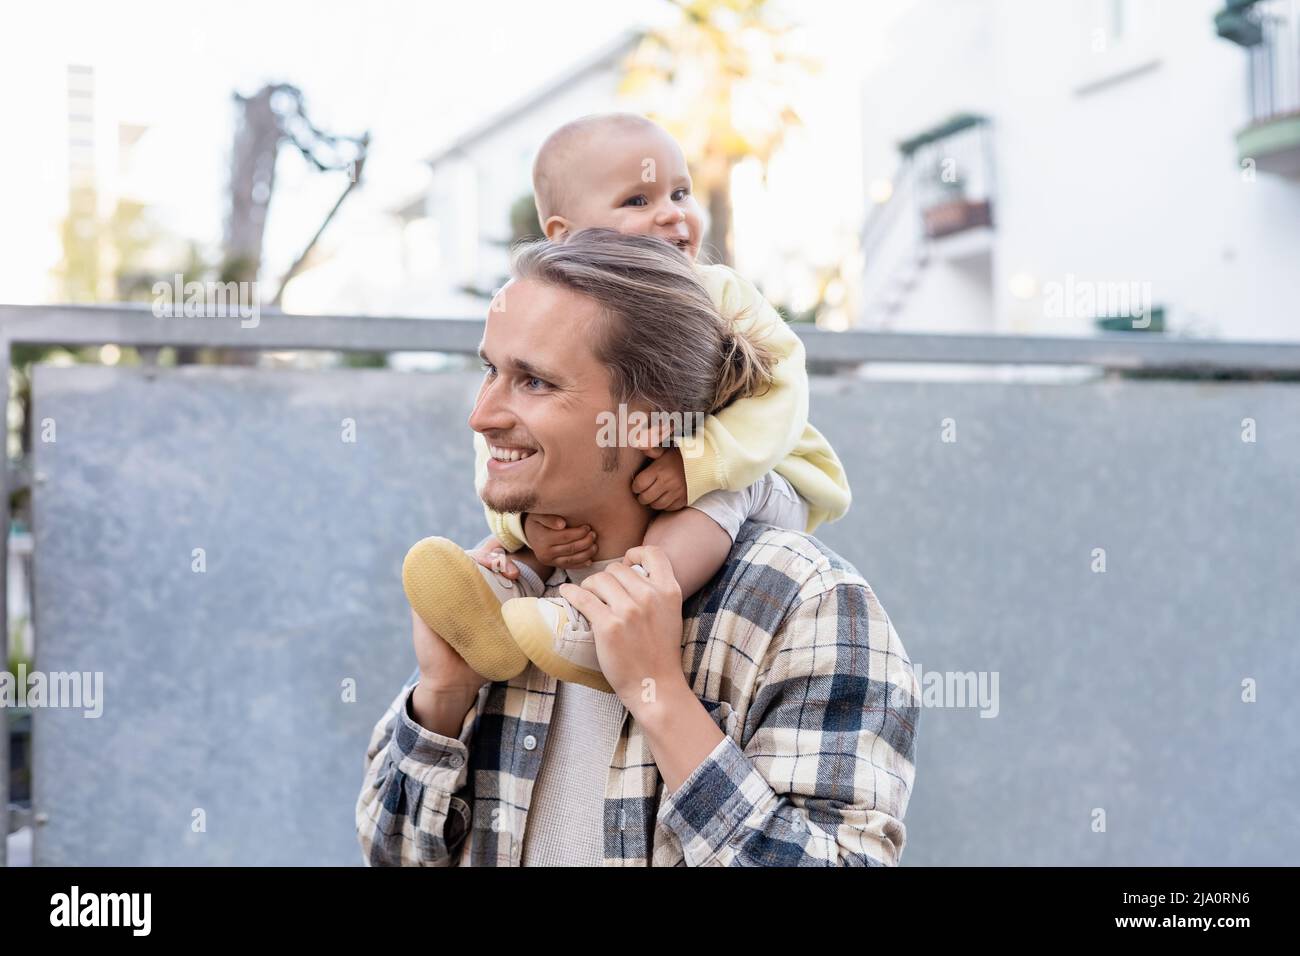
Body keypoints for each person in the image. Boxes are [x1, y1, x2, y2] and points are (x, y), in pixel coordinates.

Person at [355, 232, 919, 866]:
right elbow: (390, 853)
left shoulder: (804, 603)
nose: (481, 416)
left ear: (652, 421)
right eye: (491, 370)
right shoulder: (501, 592)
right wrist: (443, 694)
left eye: (535, 382)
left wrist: (658, 691)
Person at [409, 111, 853, 692]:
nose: (673, 212)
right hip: (635, 481)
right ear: (565, 237)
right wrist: (519, 521)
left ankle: (612, 617)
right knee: (555, 511)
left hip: (768, 471)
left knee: (712, 501)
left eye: (680, 192)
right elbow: (497, 435)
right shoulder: (538, 312)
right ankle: (506, 585)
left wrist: (699, 462)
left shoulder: (719, 292)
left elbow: (781, 393)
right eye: (638, 201)